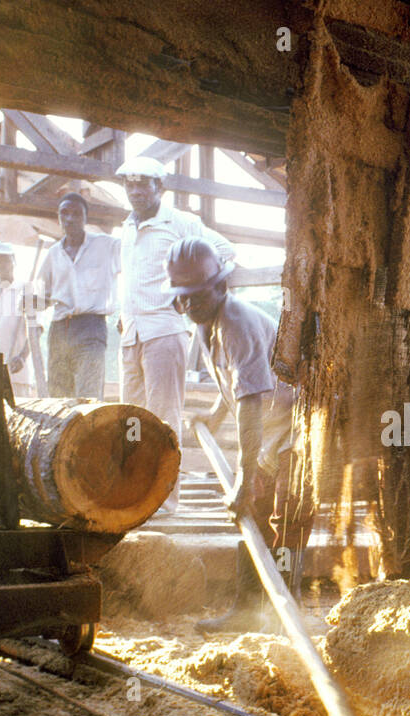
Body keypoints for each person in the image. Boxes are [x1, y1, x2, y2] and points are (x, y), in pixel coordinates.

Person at [162, 237, 309, 634]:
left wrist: (244, 476)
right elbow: (234, 388)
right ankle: (246, 611)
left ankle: (286, 615)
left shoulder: (237, 324)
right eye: (184, 298)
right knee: (252, 516)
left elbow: (250, 403)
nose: (189, 305)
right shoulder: (205, 325)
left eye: (197, 296)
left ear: (221, 287)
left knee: (286, 518)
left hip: (299, 426)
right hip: (269, 428)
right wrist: (211, 417)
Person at [116, 156, 236, 514]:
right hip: (132, 334)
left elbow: (226, 252)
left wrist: (190, 296)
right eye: (130, 184)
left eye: (144, 184)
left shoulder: (180, 223)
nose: (136, 191)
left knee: (164, 418)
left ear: (160, 188)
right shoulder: (126, 227)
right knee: (131, 421)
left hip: (164, 333)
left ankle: (167, 501)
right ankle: (137, 497)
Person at [35, 192, 120, 399]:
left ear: (85, 219)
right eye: (64, 213)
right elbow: (42, 296)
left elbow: (135, 261)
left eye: (76, 214)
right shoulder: (53, 253)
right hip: (60, 329)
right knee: (58, 395)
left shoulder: (106, 245)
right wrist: (31, 301)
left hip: (91, 327)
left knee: (88, 394)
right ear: (58, 218)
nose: (70, 219)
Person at [0, 242, 35, 398]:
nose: (1, 265)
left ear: (13, 261)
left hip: (16, 374)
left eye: (5, 260)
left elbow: (37, 329)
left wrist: (22, 357)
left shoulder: (26, 289)